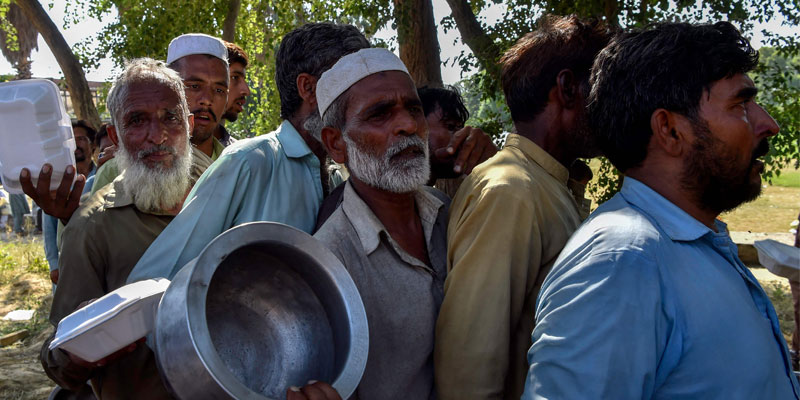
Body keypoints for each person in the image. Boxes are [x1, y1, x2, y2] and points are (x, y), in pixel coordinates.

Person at [523, 21, 800, 399]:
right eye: (741, 105)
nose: (769, 125)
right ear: (669, 130)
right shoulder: (620, 264)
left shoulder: (690, 242)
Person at [434, 16, 613, 400]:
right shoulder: (511, 192)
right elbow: (468, 374)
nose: (613, 108)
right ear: (567, 88)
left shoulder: (548, 185)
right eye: (605, 89)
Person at [125, 23, 371, 283]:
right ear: (308, 89)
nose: (366, 98)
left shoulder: (335, 178)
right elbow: (153, 283)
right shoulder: (249, 162)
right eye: (352, 83)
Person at [40, 58, 209, 399]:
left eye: (170, 117)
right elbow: (57, 360)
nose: (157, 135)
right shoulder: (91, 228)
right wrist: (82, 352)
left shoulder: (222, 191)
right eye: (137, 120)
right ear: (115, 135)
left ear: (189, 125)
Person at [311, 47, 447, 400]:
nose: (408, 126)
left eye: (413, 109)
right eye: (380, 115)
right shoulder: (330, 264)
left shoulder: (450, 214)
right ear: (336, 144)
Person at [313, 85, 496, 230]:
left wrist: (495, 169)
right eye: (450, 127)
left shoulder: (439, 205)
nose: (462, 136)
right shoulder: (342, 210)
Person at [87, 33, 228, 196]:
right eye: (195, 86)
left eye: (219, 90)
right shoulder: (117, 169)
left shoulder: (243, 162)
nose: (207, 100)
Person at [215, 41, 252, 146]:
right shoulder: (168, 151)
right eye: (235, 77)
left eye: (244, 79)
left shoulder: (238, 154)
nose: (246, 91)